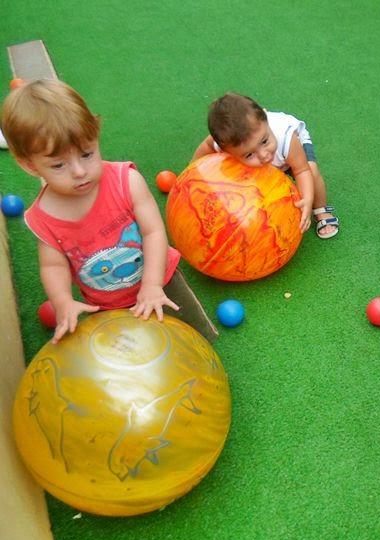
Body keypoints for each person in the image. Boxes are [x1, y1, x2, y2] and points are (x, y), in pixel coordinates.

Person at [1, 79, 217, 343]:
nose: (79, 172)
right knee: (129, 353)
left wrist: (152, 285)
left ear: (96, 135)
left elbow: (153, 232)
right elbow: (53, 265)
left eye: (87, 154)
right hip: (105, 303)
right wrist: (63, 303)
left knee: (193, 338)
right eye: (58, 166)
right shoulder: (42, 219)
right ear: (30, 166)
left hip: (162, 279)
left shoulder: (126, 181)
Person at [192, 92, 339, 239]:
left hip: (291, 152)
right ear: (226, 150)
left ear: (266, 117)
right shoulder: (225, 144)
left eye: (264, 141)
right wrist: (192, 173)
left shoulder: (286, 138)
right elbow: (206, 146)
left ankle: (321, 210)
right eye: (249, 154)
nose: (263, 155)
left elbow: (302, 170)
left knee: (311, 171)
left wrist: (307, 199)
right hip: (272, 153)